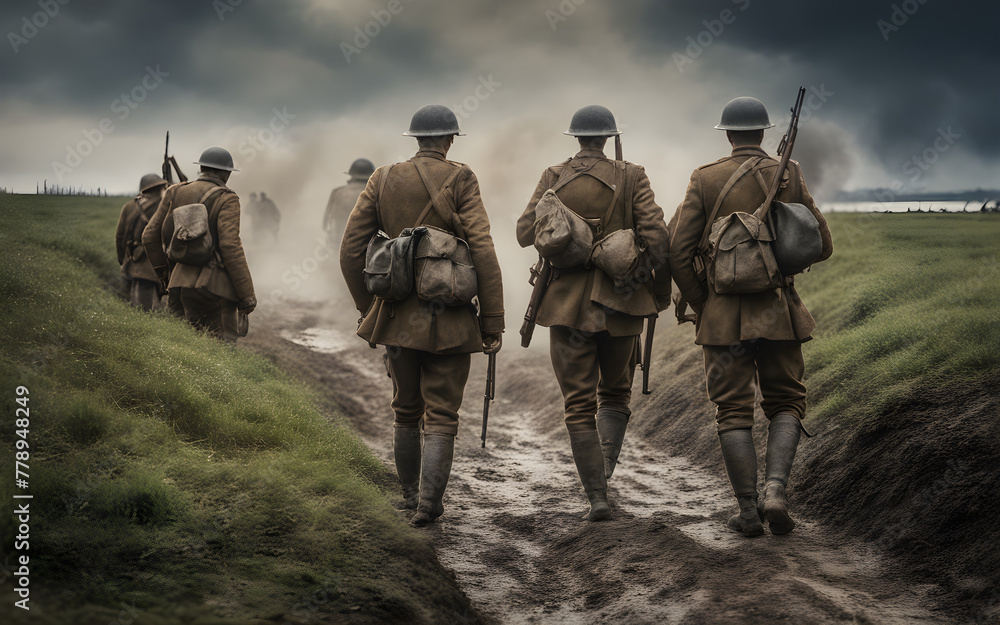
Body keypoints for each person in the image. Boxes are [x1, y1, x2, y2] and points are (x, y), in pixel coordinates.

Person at [669, 96, 833, 536]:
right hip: (779, 314)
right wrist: (779, 268)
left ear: (727, 133)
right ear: (763, 132)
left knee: (732, 410)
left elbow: (678, 254)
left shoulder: (704, 178)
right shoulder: (790, 173)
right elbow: (822, 242)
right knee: (787, 402)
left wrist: (706, 305)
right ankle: (776, 491)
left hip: (722, 317)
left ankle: (746, 512)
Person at [340, 105, 504, 527]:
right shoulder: (462, 177)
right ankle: (430, 504)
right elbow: (482, 250)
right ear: (450, 139)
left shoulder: (382, 177)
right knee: (443, 415)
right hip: (450, 318)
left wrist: (369, 308)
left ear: (415, 138)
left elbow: (349, 251)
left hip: (394, 316)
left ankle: (410, 496)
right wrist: (492, 321)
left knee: (405, 410)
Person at [515, 105, 671, 521]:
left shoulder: (554, 177)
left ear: (576, 139)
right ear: (607, 138)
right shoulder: (632, 174)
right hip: (621, 306)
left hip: (565, 307)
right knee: (616, 395)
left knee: (578, 404)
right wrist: (652, 292)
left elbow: (523, 232)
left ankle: (597, 497)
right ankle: (603, 484)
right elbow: (658, 240)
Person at [142, 147, 256, 341]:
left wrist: (165, 273)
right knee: (221, 353)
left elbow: (149, 235)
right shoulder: (227, 198)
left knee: (182, 350)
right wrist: (247, 295)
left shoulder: (175, 191)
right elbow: (230, 246)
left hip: (178, 285)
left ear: (201, 168)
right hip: (216, 290)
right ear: (226, 173)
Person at [116, 173, 167, 310]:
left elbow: (120, 237)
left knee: (138, 307)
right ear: (161, 187)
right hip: (153, 266)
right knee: (147, 310)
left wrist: (123, 260)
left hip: (132, 262)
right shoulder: (164, 206)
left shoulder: (129, 206)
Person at [323, 158, 375, 250]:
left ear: (351, 175)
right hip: (364, 249)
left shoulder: (336, 192)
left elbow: (325, 224)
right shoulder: (373, 194)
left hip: (337, 246)